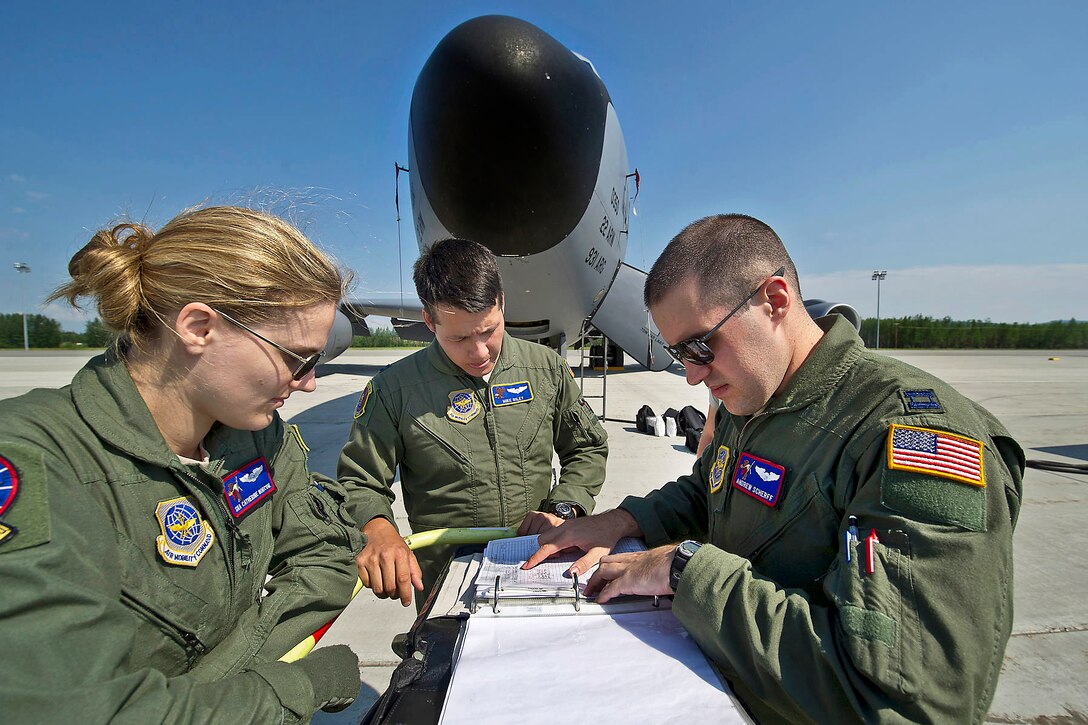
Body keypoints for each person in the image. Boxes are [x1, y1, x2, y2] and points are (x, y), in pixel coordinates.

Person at [526, 214, 1024, 723]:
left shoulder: (914, 437)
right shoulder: (755, 399)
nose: (694, 376)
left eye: (701, 347)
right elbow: (707, 492)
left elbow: (902, 700)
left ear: (775, 301)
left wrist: (683, 570)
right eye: (680, 354)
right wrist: (621, 521)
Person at [0, 206, 365, 723]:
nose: (308, 382)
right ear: (197, 327)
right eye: (296, 359)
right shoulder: (33, 461)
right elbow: (74, 708)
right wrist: (288, 690)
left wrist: (223, 691)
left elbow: (323, 556)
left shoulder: (256, 437)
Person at [338, 237, 608, 608]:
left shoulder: (546, 369)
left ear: (501, 302)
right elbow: (358, 480)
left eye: (488, 331)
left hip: (536, 567)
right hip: (445, 583)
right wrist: (376, 527)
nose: (479, 352)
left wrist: (566, 508)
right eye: (459, 338)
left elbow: (587, 448)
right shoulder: (394, 390)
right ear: (428, 321)